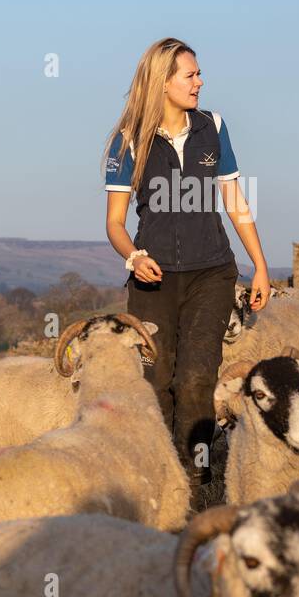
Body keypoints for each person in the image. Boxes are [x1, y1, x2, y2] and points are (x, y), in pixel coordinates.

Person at [103, 37, 271, 506]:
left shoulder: (213, 127)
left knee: (197, 380)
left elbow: (236, 204)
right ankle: (161, 482)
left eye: (198, 74)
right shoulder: (128, 139)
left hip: (211, 273)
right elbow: (115, 224)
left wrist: (259, 266)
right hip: (152, 279)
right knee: (157, 383)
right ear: (163, 81)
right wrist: (134, 257)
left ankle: (197, 488)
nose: (200, 82)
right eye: (190, 75)